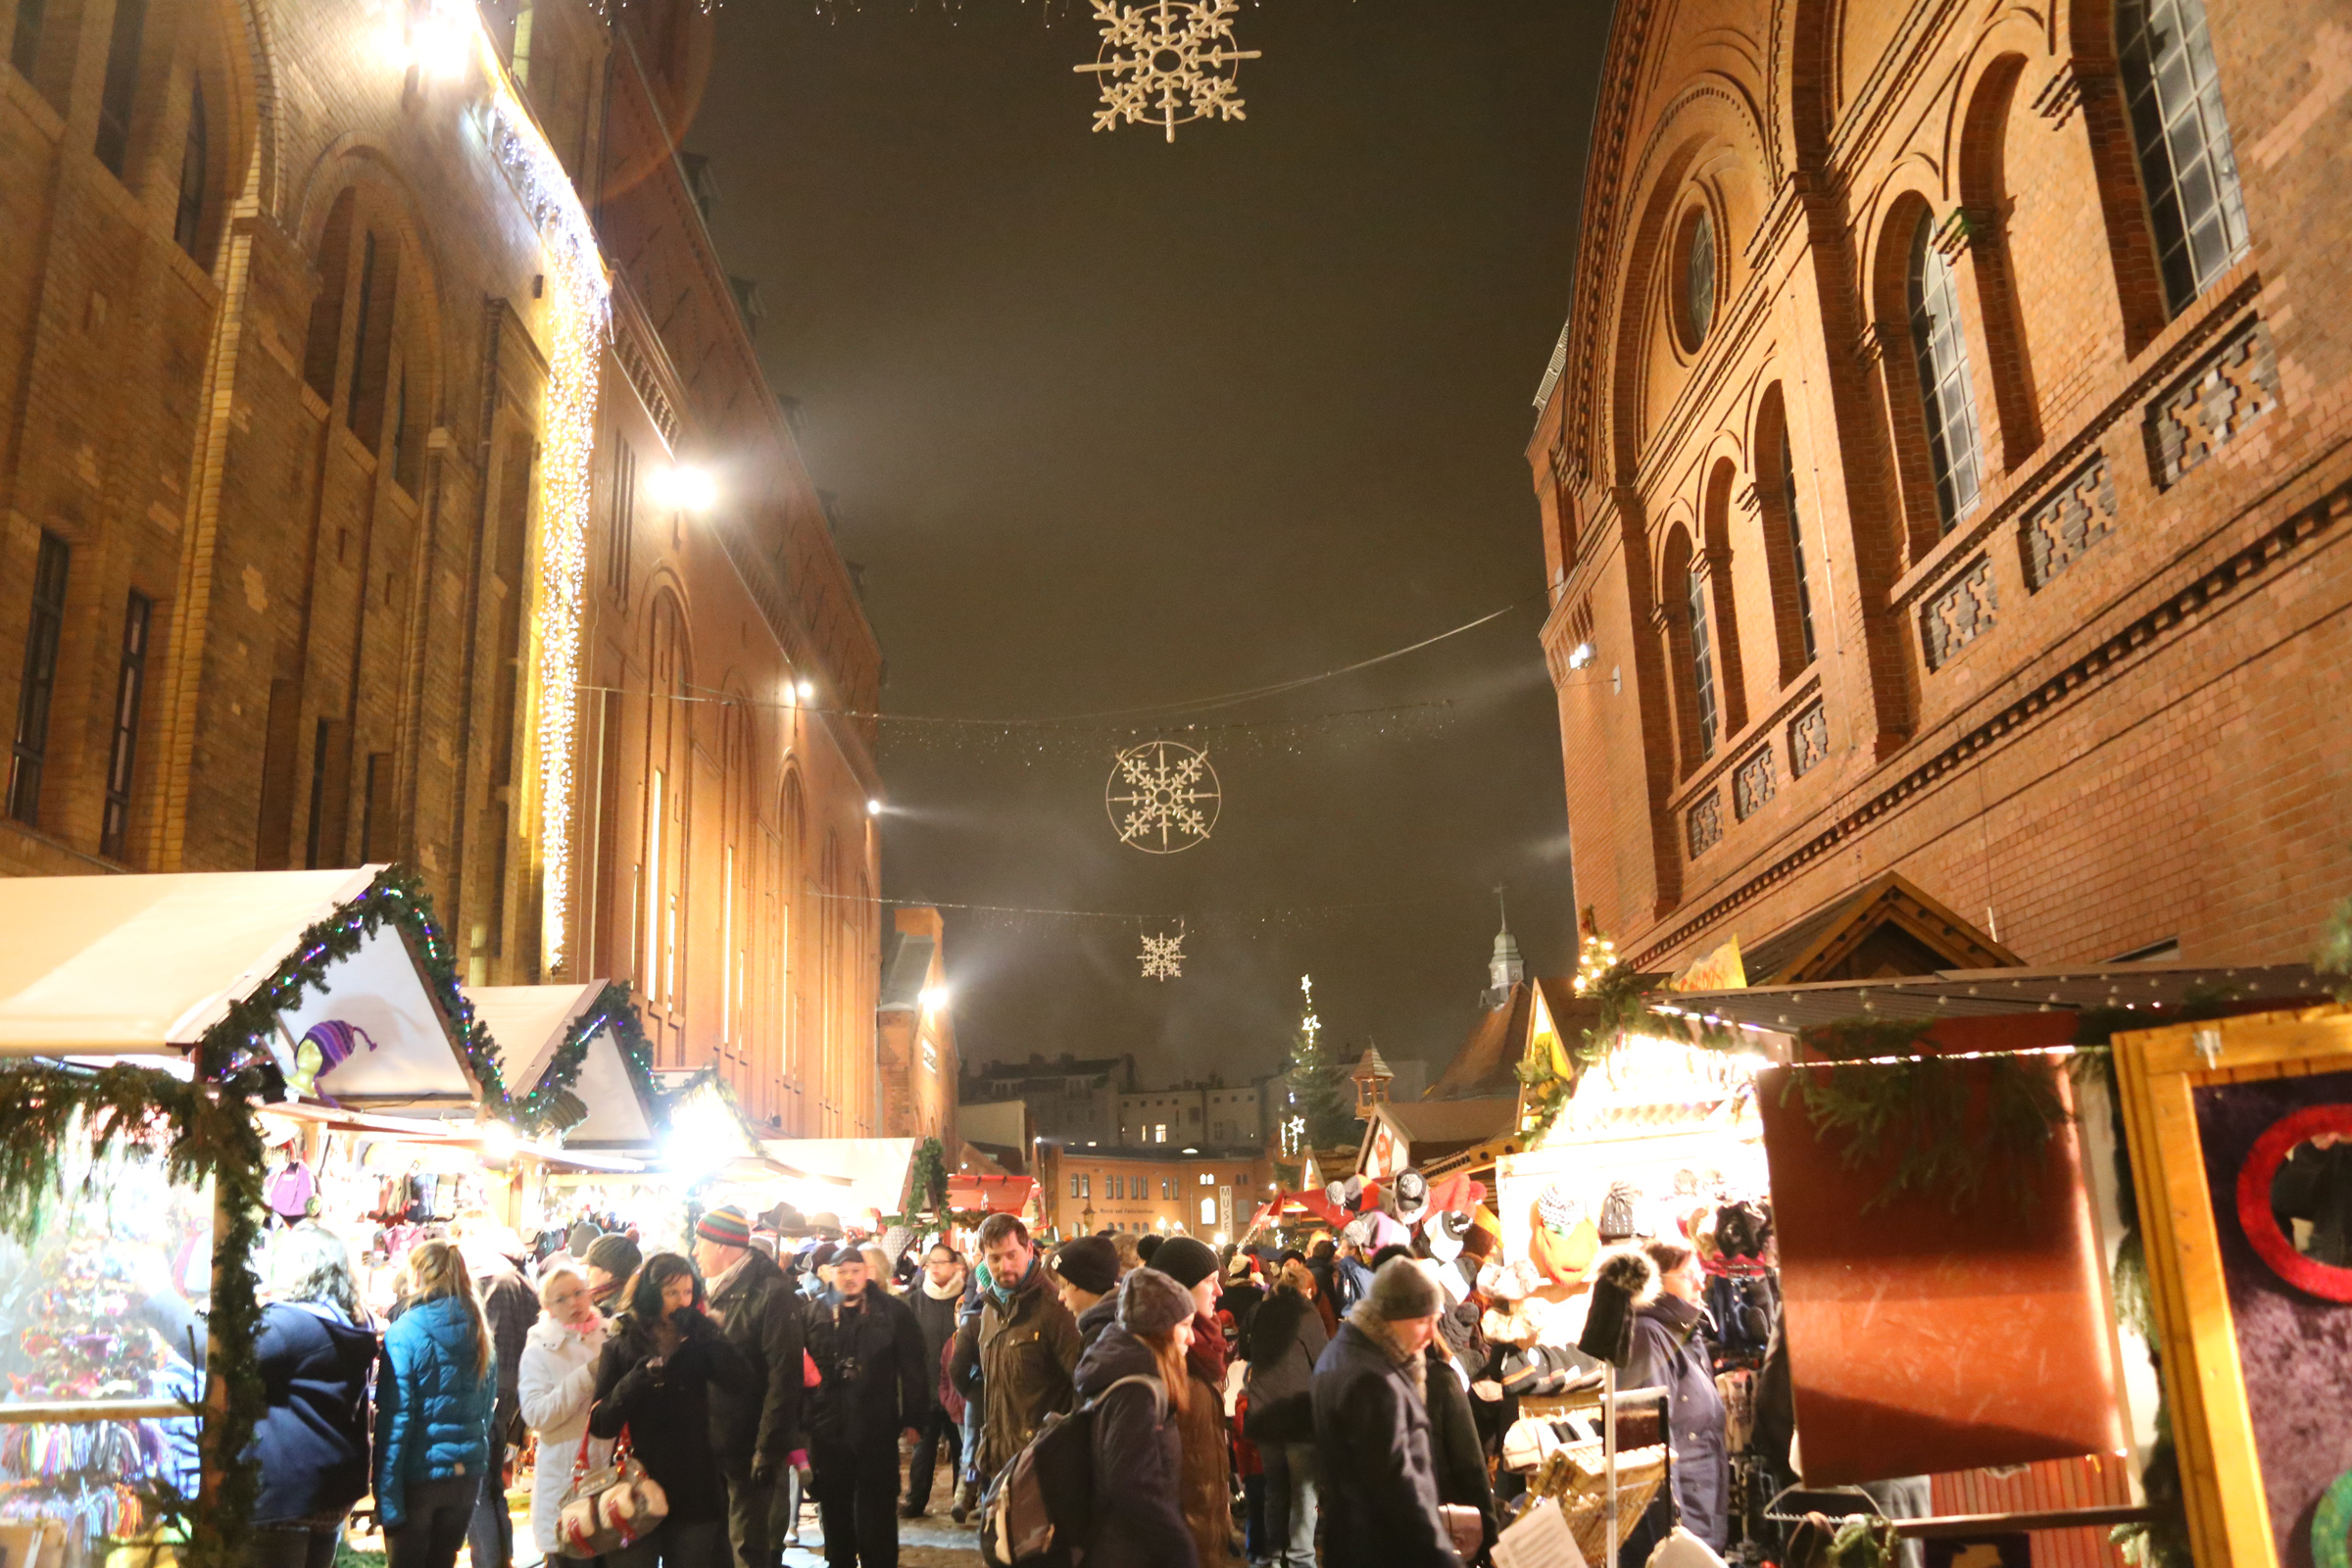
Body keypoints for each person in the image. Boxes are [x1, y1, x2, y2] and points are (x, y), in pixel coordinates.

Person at [587, 1252, 752, 1567]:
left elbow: (740, 1382)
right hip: (636, 1487)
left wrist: (709, 1335)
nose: (681, 1301)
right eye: (671, 1293)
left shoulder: (699, 1342)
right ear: (652, 1294)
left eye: (688, 1292)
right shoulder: (622, 1342)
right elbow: (601, 1423)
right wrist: (636, 1379)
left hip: (694, 1486)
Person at [1311, 1256, 1458, 1568]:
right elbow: (1398, 1490)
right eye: (1424, 1320)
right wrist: (1444, 1559)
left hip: (1354, 1544)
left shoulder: (1347, 1351)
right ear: (1393, 1315)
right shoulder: (1373, 1381)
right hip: (1382, 1552)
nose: (1433, 1333)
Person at [252, 1225, 378, 1568]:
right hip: (332, 1490)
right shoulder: (354, 1321)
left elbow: (218, 1355)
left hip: (286, 1494)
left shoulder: (288, 1325)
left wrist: (158, 1297)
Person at [374, 1240, 500, 1568]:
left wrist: (386, 1497)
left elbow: (396, 1419)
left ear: (416, 1276)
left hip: (419, 1478)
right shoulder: (481, 1330)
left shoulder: (404, 1332)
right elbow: (486, 1412)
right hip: (466, 1478)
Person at [693, 1204, 807, 1568]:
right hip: (707, 1442)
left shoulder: (771, 1292)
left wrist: (767, 1447)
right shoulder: (703, 1291)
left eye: (700, 1243)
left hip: (746, 1444)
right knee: (711, 1544)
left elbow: (784, 1376)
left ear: (722, 1247)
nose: (695, 1252)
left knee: (745, 1546)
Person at [803, 1246, 930, 1567]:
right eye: (841, 1271)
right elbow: (798, 1370)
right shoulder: (815, 1313)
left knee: (878, 1512)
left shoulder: (892, 1311)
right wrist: (803, 1423)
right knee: (834, 1512)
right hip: (829, 1428)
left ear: (867, 1273)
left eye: (855, 1270)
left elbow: (913, 1367)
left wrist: (914, 1418)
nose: (849, 1278)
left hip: (877, 1425)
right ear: (830, 1274)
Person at [1069, 1267, 1201, 1568]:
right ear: (1160, 1329)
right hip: (1126, 1552)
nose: (1191, 1338)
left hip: (1126, 1546)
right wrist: (1178, 1544)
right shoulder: (1136, 1389)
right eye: (1185, 1326)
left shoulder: (1129, 1373)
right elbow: (1130, 1481)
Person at [1623, 1239, 1728, 1556]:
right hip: (1681, 1529)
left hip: (1704, 1515)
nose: (1700, 1283)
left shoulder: (1684, 1335)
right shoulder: (1647, 1336)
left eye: (1700, 1273)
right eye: (1686, 1276)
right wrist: (1672, 1529)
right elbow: (1650, 1443)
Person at [971, 1213, 1081, 1494]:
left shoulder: (1055, 1307)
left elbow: (1081, 1385)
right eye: (994, 1258)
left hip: (1040, 1467)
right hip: (997, 1463)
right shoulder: (989, 1310)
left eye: (1011, 1255)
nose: (1003, 1266)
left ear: (1029, 1250)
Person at [456, 1215, 537, 1568]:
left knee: (476, 1492)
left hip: (483, 1393)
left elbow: (475, 1343)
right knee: (492, 1489)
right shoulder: (519, 1276)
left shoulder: (485, 1275)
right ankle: (502, 1561)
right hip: (512, 1393)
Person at [1150, 1237, 1235, 1568]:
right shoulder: (1162, 1354)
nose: (1219, 1291)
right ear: (1180, 1289)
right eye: (1210, 1282)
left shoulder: (1206, 1344)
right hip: (1178, 1537)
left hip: (1206, 1524)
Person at [517, 1263, 610, 1568]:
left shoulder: (611, 1337)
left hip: (613, 1485)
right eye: (561, 1299)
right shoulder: (539, 1350)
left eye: (579, 1293)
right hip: (565, 1486)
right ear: (548, 1307)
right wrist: (585, 1376)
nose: (574, 1303)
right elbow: (536, 1414)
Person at [1243, 1257, 1327, 1568]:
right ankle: (1301, 1558)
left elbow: (1245, 1349)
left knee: (1275, 1489)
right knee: (1304, 1493)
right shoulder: (1307, 1314)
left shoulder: (1260, 1310)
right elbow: (1323, 1360)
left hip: (1264, 1413)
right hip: (1297, 1416)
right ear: (1306, 1290)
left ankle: (1273, 1558)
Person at [904, 1243, 967, 1518]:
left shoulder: (967, 1298)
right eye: (931, 1262)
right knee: (923, 1449)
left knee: (962, 1448)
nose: (936, 1267)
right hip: (926, 1387)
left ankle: (961, 1501)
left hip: (959, 1389)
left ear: (956, 1266)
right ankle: (915, 1500)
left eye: (942, 1262)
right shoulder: (915, 1300)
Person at [1050, 1235, 1122, 1350]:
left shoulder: (1098, 1337)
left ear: (1086, 1283)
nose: (1060, 1297)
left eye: (1063, 1286)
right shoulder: (1118, 1321)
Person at [586, 1233, 644, 1319]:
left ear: (610, 1273)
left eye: (591, 1266)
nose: (587, 1271)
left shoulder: (607, 1312)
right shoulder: (630, 1297)